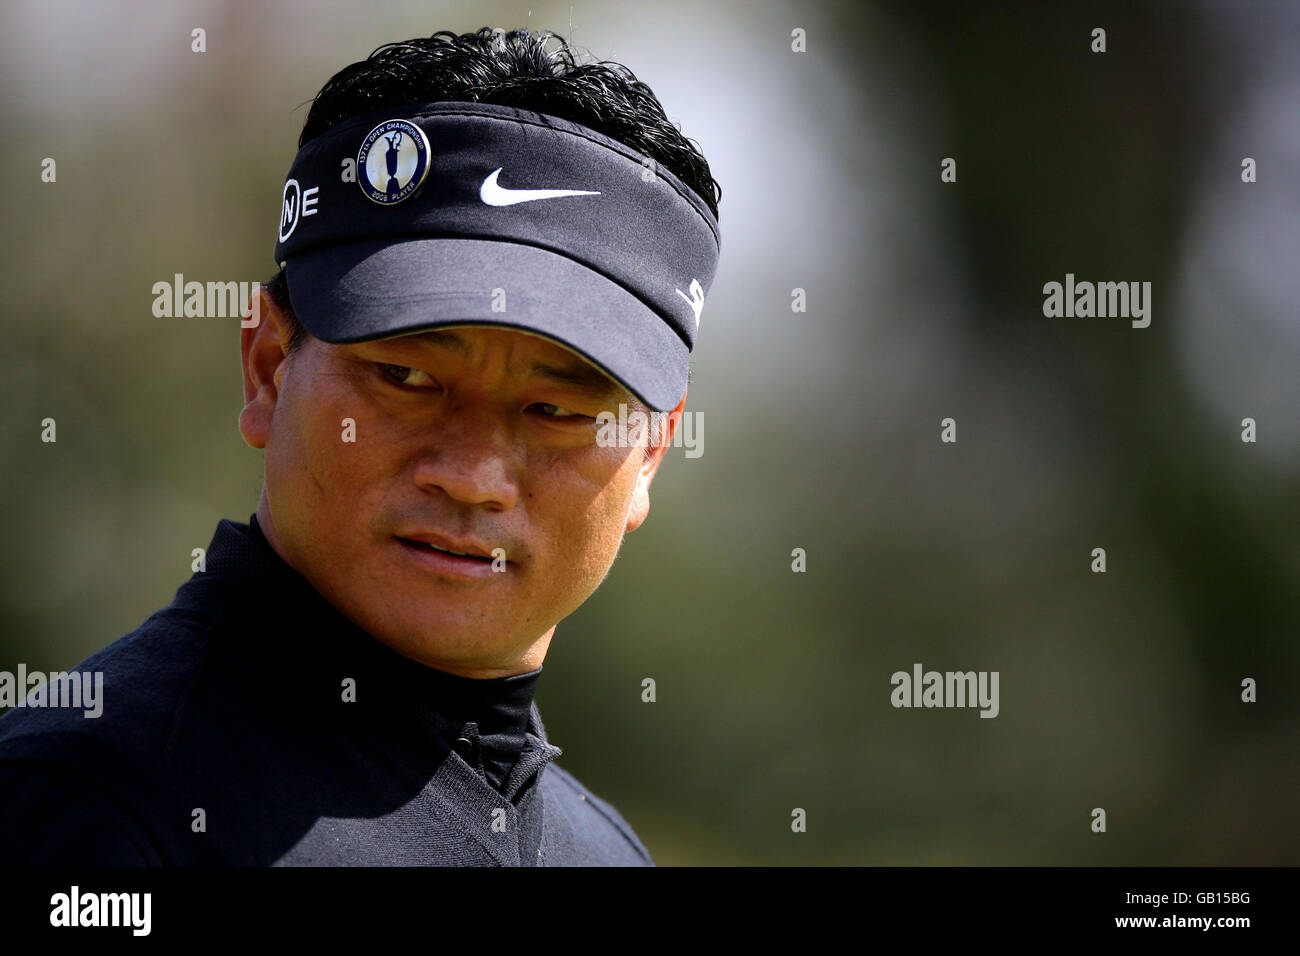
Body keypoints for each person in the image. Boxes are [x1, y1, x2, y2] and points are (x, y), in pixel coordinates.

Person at [0, 26, 721, 866]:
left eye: (554, 408)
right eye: (408, 378)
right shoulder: (83, 811)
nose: (473, 476)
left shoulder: (604, 854)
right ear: (269, 369)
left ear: (649, 455)